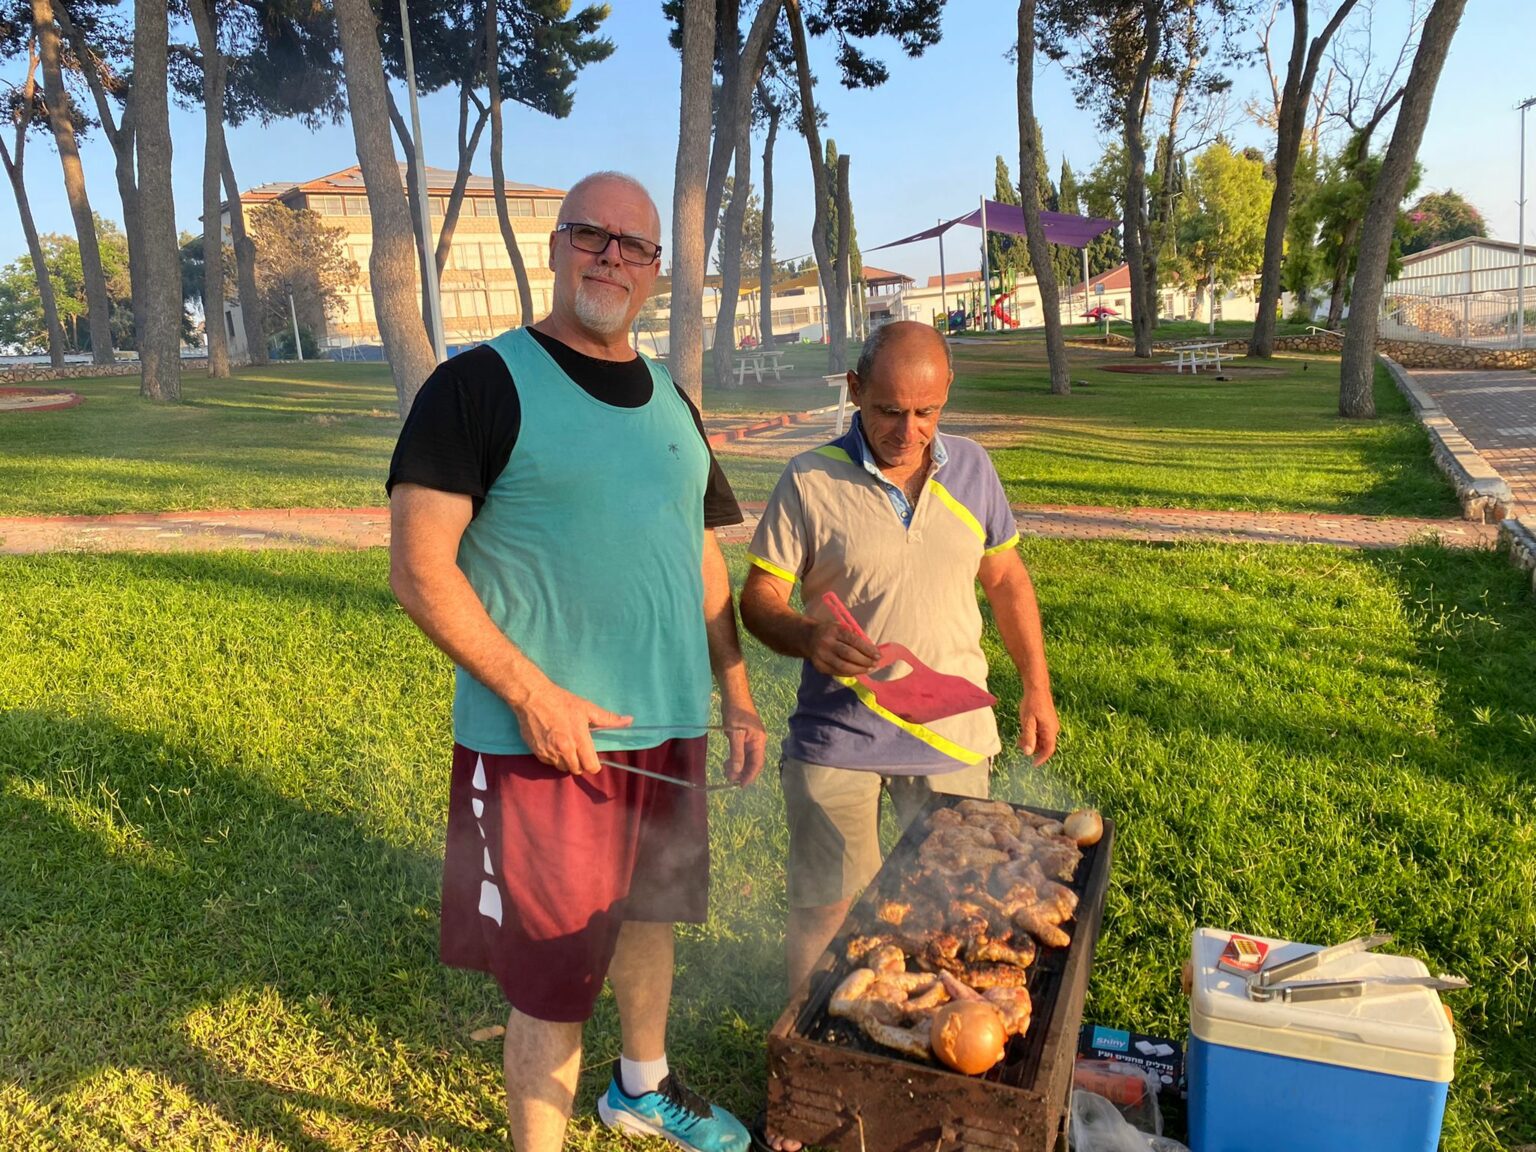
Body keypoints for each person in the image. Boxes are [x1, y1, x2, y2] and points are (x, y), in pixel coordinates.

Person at [387, 171, 768, 1152]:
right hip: (544, 745)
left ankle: (641, 1088)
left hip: (667, 730)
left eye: (633, 245)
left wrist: (735, 693)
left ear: (656, 271)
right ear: (556, 247)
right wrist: (532, 695)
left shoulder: (673, 402)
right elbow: (420, 569)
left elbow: (701, 554)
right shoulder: (478, 386)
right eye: (591, 235)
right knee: (552, 981)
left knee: (651, 917)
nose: (610, 257)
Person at [739, 317, 1060, 1018]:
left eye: (926, 412)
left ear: (946, 395)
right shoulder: (810, 479)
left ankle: (935, 1046)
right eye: (889, 411)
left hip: (952, 735)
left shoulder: (973, 469)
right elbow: (758, 600)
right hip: (837, 737)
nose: (909, 431)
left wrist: (1036, 686)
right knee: (826, 908)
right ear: (855, 390)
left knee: (955, 910)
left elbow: (1006, 580)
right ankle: (807, 1050)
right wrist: (806, 635)